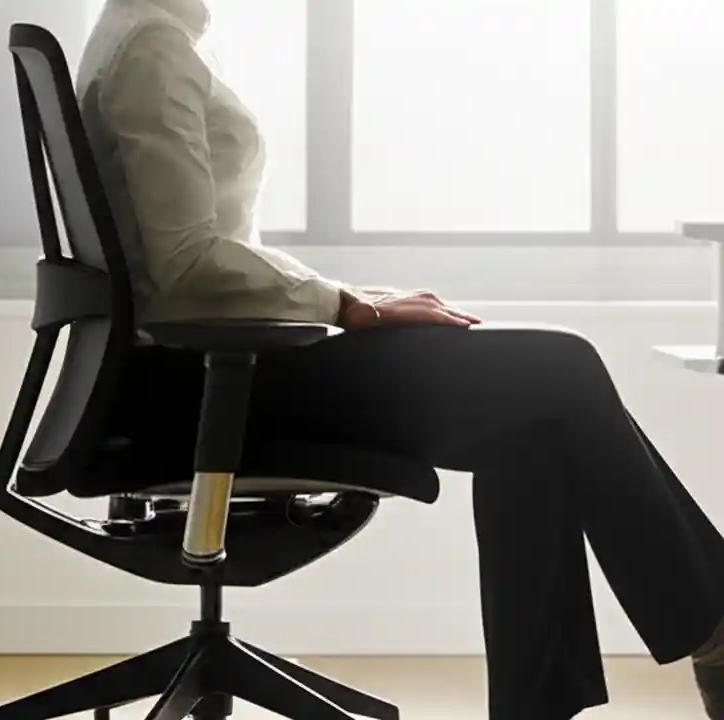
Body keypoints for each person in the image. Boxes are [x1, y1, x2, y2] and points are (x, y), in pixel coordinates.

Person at [77, 1, 724, 718]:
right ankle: (716, 623)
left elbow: (198, 258)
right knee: (562, 367)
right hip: (202, 383)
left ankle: (543, 706)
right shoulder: (154, 49)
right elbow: (186, 266)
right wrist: (350, 307)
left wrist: (350, 296)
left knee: (533, 424)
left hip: (213, 366)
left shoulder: (145, 37)